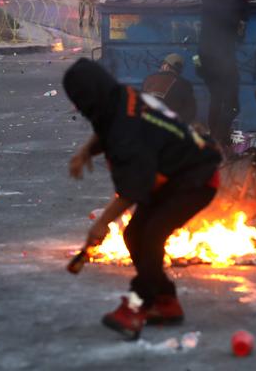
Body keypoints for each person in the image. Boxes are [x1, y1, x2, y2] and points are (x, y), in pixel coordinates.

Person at [64, 59, 221, 340]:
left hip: (195, 179)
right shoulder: (120, 98)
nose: (78, 107)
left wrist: (101, 223)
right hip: (173, 175)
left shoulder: (126, 129)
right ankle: (166, 302)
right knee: (135, 234)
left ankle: (136, 306)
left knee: (150, 236)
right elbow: (106, 127)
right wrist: (86, 151)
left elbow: (133, 188)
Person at [199, 0, 249, 149]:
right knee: (232, 103)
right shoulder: (239, 3)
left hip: (204, 57)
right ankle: (221, 137)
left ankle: (215, 135)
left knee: (216, 98)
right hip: (224, 58)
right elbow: (241, 33)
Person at [141, 53, 197, 124]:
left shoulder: (148, 80)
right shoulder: (185, 84)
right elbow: (190, 112)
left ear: (166, 66)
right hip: (169, 127)